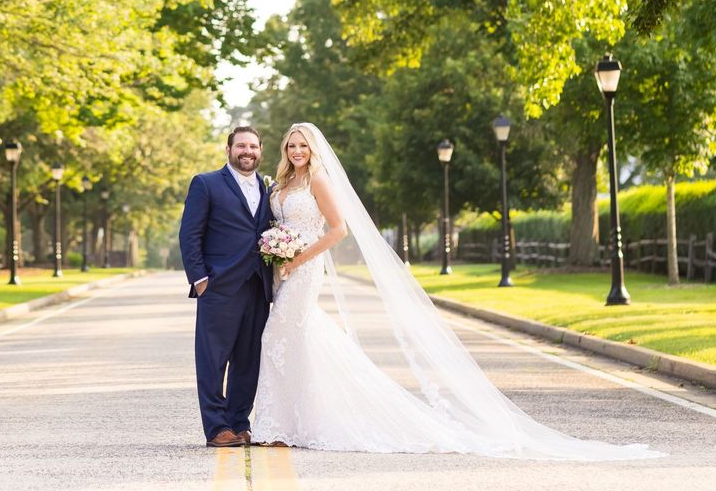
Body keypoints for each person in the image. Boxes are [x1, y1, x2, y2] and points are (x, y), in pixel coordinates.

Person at [249, 122, 662, 460]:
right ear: (285, 149)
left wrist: (297, 259)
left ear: (313, 148)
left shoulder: (318, 180)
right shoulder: (284, 182)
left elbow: (337, 229)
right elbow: (281, 225)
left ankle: (292, 424)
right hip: (283, 270)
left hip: (303, 270)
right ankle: (286, 422)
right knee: (292, 340)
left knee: (284, 337)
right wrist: (277, 249)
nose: (297, 150)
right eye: (292, 144)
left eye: (303, 144)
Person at [178, 125, 275, 448]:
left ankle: (239, 422)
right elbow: (189, 234)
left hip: (257, 286)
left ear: (261, 150)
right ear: (228, 149)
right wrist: (200, 279)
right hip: (218, 286)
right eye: (241, 146)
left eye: (253, 147)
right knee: (213, 360)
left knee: (249, 360)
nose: (247, 152)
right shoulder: (206, 184)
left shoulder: (267, 188)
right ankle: (217, 428)